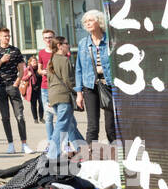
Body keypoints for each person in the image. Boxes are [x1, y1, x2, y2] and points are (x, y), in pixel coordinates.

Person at [75, 9, 117, 158]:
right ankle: (87, 157)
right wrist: (79, 93)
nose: (87, 23)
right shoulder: (83, 43)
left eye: (90, 20)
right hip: (90, 86)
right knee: (92, 126)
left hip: (109, 85)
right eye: (85, 22)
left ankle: (117, 156)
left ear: (99, 22)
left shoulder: (110, 41)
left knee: (111, 125)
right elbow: (79, 68)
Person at [0, 27, 31, 154]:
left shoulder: (15, 50)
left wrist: (17, 82)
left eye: (8, 36)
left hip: (13, 86)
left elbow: (22, 69)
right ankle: (10, 144)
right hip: (0, 87)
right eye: (4, 36)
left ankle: (24, 143)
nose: (7, 38)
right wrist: (1, 61)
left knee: (19, 115)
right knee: (5, 117)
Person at [46, 37, 83, 169]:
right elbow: (69, 81)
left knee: (71, 125)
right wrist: (79, 92)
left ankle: (83, 148)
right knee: (61, 126)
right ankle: (52, 154)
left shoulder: (50, 60)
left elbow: (49, 81)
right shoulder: (64, 60)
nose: (69, 46)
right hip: (63, 96)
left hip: (54, 96)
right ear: (60, 46)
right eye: (67, 44)